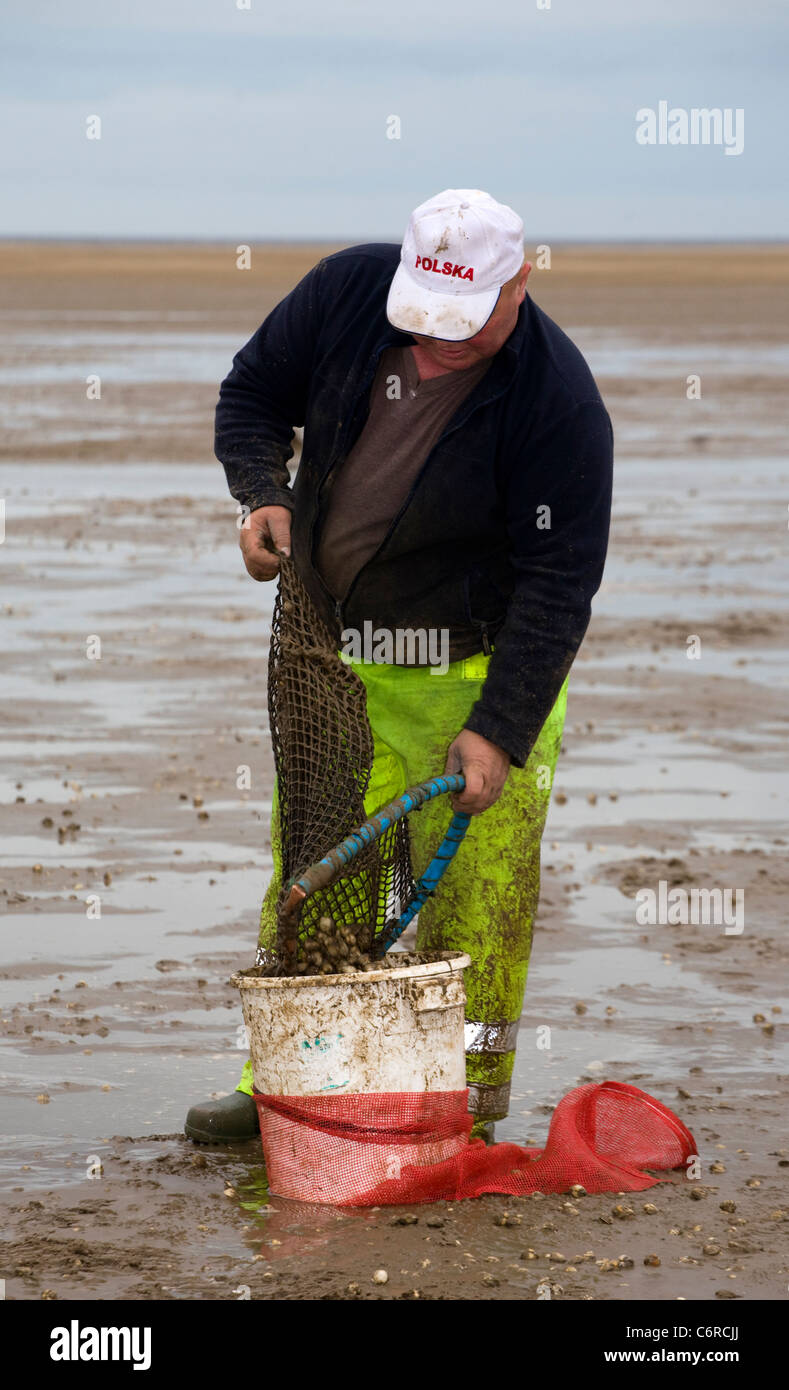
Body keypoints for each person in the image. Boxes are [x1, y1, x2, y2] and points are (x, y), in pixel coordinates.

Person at [185, 188, 613, 1144]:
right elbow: (249, 395)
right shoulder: (345, 291)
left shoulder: (558, 402)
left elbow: (559, 584)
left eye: (465, 324)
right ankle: (288, 1093)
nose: (442, 343)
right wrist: (259, 495)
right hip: (342, 665)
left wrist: (496, 732)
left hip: (482, 677)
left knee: (477, 909)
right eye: (425, 319)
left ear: (519, 284)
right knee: (314, 879)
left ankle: (463, 1111)